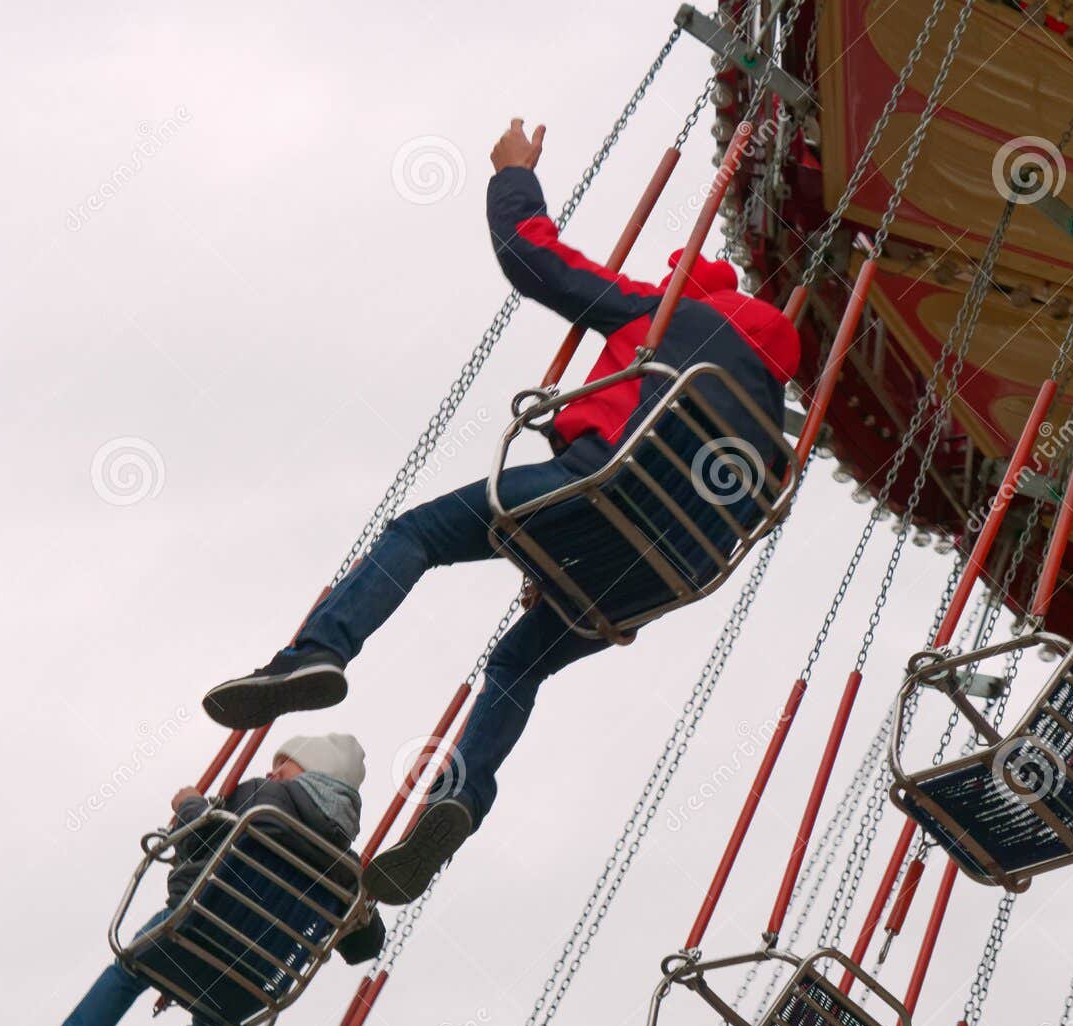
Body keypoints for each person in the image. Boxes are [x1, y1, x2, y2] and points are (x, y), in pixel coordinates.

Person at [204, 117, 800, 907]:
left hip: (601, 483)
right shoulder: (771, 423)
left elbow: (533, 258)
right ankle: (458, 796)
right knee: (519, 665)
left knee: (419, 532)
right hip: (665, 569)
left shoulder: (663, 314)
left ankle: (316, 655)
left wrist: (514, 174)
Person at [15, 733, 381, 1026]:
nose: (271, 772)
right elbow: (365, 946)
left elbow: (198, 840)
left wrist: (187, 803)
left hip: (187, 933)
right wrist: (366, 905)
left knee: (129, 971)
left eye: (283, 765)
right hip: (249, 984)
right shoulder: (349, 873)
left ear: (312, 774)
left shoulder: (264, 795)